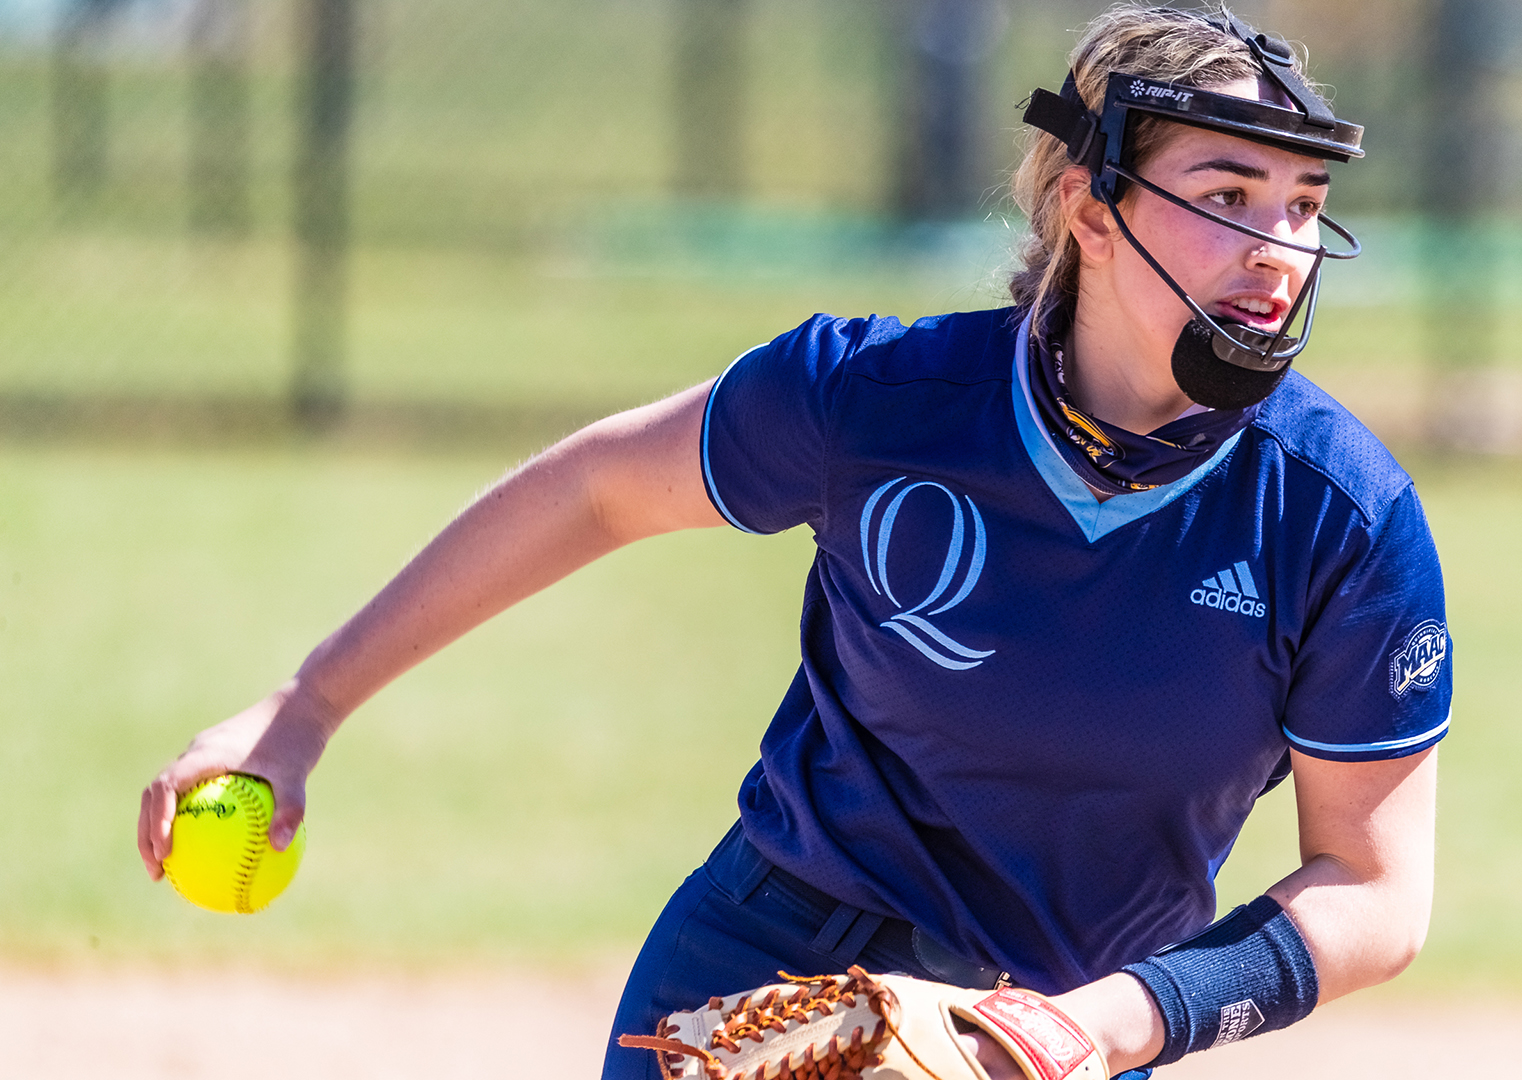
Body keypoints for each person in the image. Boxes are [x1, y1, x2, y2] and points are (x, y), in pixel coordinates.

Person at [136, 6, 1449, 1078]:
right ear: (1088, 207)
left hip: (1053, 1034)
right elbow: (595, 491)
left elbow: (1375, 894)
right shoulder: (875, 400)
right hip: (766, 970)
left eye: (1301, 201)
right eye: (1227, 192)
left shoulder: (1337, 513)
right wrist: (306, 707)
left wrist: (1116, 1021)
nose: (1278, 248)